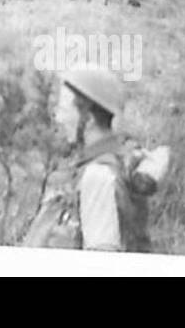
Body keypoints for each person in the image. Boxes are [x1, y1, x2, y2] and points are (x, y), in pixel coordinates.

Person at [25, 64, 168, 253]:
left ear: (89, 119)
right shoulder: (108, 162)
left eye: (65, 109)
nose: (59, 118)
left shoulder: (98, 175)